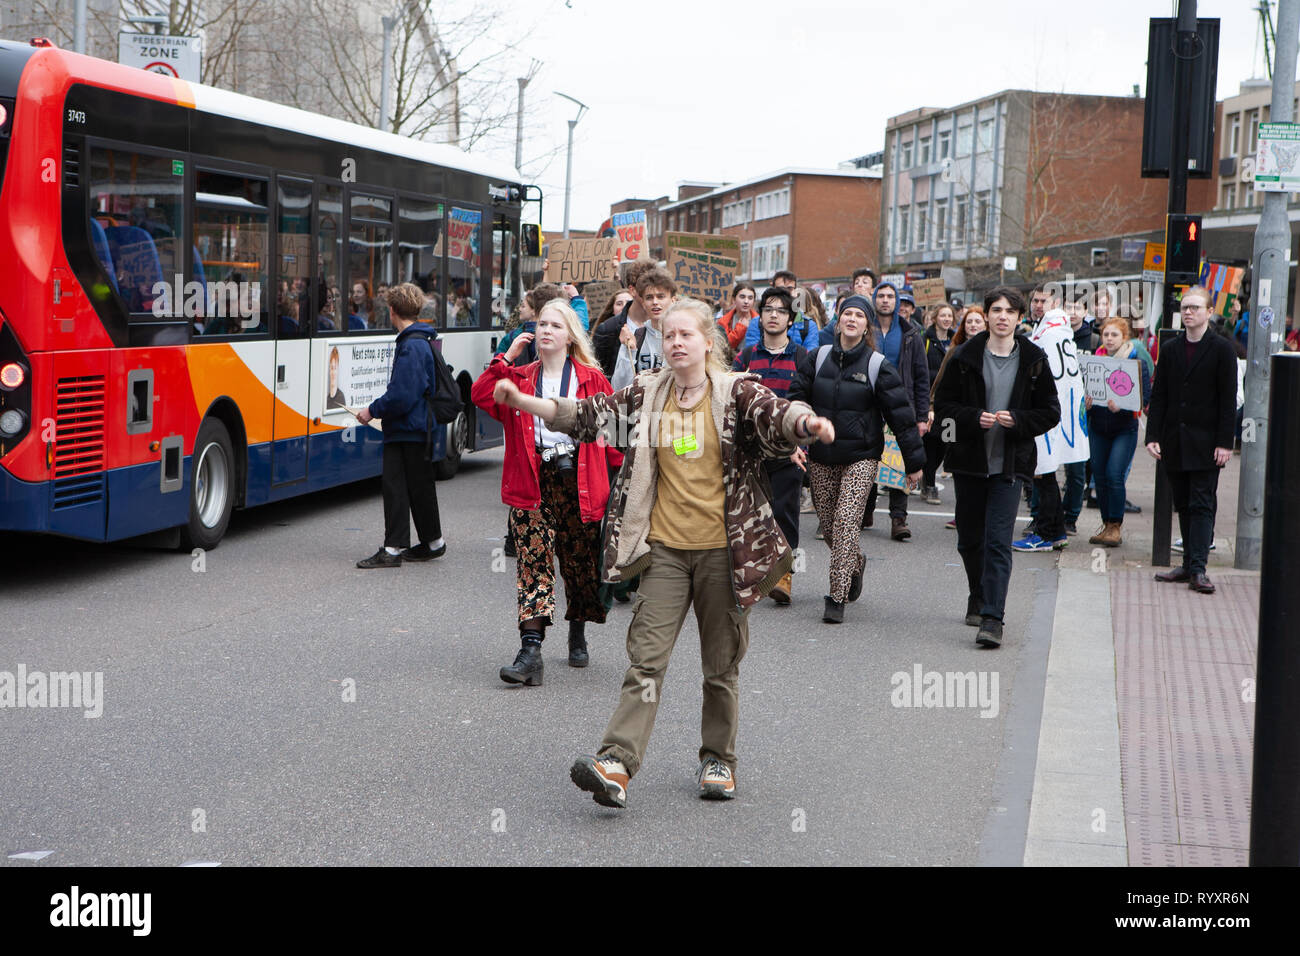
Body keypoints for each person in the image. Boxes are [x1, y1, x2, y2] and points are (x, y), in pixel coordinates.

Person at [490, 297, 831, 808]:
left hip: (723, 552)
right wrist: (524, 403)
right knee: (645, 662)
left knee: (720, 666)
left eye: (685, 335)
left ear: (707, 341)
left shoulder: (733, 393)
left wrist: (808, 424)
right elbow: (588, 416)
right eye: (668, 335)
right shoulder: (648, 396)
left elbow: (778, 416)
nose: (675, 342)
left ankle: (718, 759)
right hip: (666, 551)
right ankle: (616, 764)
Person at [471, 299, 622, 682]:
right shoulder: (519, 378)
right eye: (541, 324)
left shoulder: (592, 379)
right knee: (533, 565)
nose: (545, 331)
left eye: (555, 325)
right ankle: (530, 650)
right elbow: (479, 395)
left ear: (570, 335)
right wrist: (505, 357)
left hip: (581, 480)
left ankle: (577, 627)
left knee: (579, 564)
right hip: (533, 481)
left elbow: (611, 433)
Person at [933, 286, 1060, 648]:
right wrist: (974, 419)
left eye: (1010, 311)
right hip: (970, 463)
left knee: (998, 541)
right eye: (997, 310)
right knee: (970, 540)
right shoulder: (963, 356)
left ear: (1021, 318)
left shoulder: (1034, 359)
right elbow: (943, 412)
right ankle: (977, 594)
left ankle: (993, 618)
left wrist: (1017, 420)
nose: (1003, 316)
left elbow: (1050, 412)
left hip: (1011, 466)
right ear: (985, 315)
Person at [790, 294, 924, 623]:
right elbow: (795, 399)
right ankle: (856, 562)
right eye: (847, 314)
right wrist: (792, 438)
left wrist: (915, 462)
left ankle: (836, 596)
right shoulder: (817, 358)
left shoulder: (878, 365)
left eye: (859, 316)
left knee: (847, 523)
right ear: (837, 321)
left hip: (862, 458)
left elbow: (901, 416)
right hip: (821, 455)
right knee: (830, 529)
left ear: (867, 325)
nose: (852, 319)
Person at [1146, 286, 1237, 594]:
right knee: (1183, 503)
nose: (1188, 312)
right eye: (1185, 307)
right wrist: (1153, 435)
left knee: (1201, 503)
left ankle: (1198, 568)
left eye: (1195, 307)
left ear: (1209, 312)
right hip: (1175, 439)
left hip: (1208, 441)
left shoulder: (1222, 349)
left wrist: (1225, 442)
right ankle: (1187, 564)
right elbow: (1159, 395)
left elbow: (1228, 400)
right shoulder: (1170, 348)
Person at [355, 283, 446, 568]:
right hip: (420, 427)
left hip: (406, 427)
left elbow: (402, 394)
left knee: (395, 487)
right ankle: (433, 542)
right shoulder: (422, 340)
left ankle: (393, 549)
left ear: (392, 311)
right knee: (420, 486)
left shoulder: (411, 345)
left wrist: (372, 410)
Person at [733, 287, 809, 605]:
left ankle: (784, 577)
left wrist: (798, 443)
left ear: (791, 320)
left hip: (788, 451)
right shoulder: (747, 356)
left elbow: (806, 405)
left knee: (784, 512)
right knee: (749, 516)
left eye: (780, 311)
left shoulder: (804, 358)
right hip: (752, 453)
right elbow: (733, 398)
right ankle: (751, 574)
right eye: (768, 309)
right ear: (760, 316)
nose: (773, 315)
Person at [862, 281, 930, 541]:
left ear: (898, 302)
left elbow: (922, 377)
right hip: (868, 404)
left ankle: (898, 519)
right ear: (875, 299)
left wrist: (922, 416)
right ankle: (866, 511)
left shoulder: (911, 333)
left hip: (901, 405)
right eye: (881, 296)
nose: (886, 301)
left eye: (891, 296)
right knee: (868, 459)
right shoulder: (866, 329)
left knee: (902, 461)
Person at [1086, 316, 1151, 548]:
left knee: (1114, 474)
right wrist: (1087, 403)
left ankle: (1116, 525)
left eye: (1115, 335)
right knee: (1100, 477)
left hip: (1124, 428)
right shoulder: (1095, 361)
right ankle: (1106, 524)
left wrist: (1124, 405)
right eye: (1106, 335)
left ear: (1125, 337)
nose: (1109, 339)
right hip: (1098, 426)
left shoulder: (1136, 363)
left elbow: (1145, 398)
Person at [934, 306, 986, 529]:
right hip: (954, 419)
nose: (973, 325)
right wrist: (931, 408)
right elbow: (940, 384)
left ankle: (980, 514)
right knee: (955, 462)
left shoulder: (993, 351)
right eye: (969, 322)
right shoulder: (955, 351)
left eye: (977, 321)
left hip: (982, 420)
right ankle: (962, 513)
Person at [611, 268, 676, 390]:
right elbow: (619, 387)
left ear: (673, 300)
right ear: (643, 303)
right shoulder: (636, 337)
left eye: (661, 296)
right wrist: (629, 350)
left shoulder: (683, 337)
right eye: (649, 297)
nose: (655, 302)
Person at [592, 260, 659, 378]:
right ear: (632, 290)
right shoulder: (608, 329)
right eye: (646, 287)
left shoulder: (669, 326)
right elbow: (599, 377)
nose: (652, 293)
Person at [921, 303, 957, 504]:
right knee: (930, 443)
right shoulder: (926, 340)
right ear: (935, 318)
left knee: (945, 442)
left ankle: (929, 476)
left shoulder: (955, 340)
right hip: (931, 402)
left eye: (949, 316)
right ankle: (929, 484)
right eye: (942, 315)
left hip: (949, 404)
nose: (946, 319)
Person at [741, 270, 817, 349]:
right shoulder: (756, 323)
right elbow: (752, 355)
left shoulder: (808, 326)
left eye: (789, 289)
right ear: (772, 290)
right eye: (780, 288)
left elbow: (809, 358)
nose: (785, 293)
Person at [718, 281, 758, 351]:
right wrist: (740, 329)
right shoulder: (723, 322)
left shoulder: (761, 322)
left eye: (750, 298)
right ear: (733, 299)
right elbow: (724, 348)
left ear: (754, 301)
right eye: (742, 297)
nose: (746, 301)